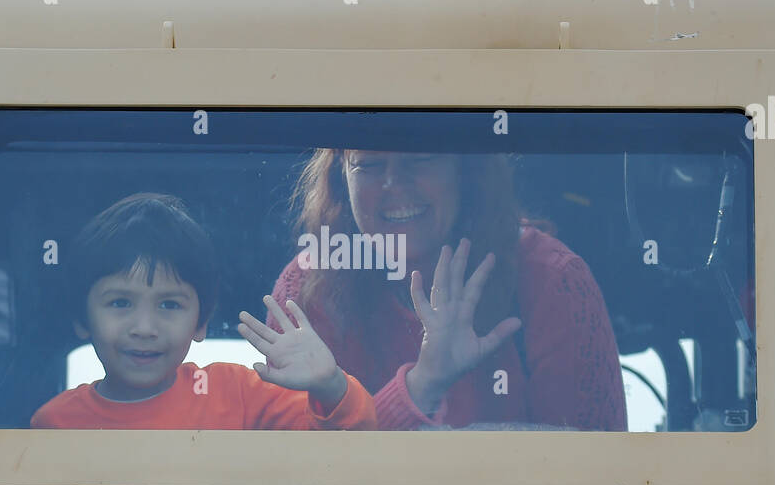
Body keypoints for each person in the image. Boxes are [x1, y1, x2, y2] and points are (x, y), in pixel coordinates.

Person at [269, 150, 626, 430]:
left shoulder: (551, 281)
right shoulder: (308, 291)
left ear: (465, 171)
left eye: (421, 158)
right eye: (370, 164)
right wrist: (423, 384)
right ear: (340, 176)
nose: (394, 182)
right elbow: (291, 481)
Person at [31, 193, 375, 430]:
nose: (145, 327)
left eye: (169, 304)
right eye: (120, 303)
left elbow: (346, 440)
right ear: (81, 319)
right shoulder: (56, 423)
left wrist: (329, 384)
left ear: (202, 321)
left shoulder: (239, 393)